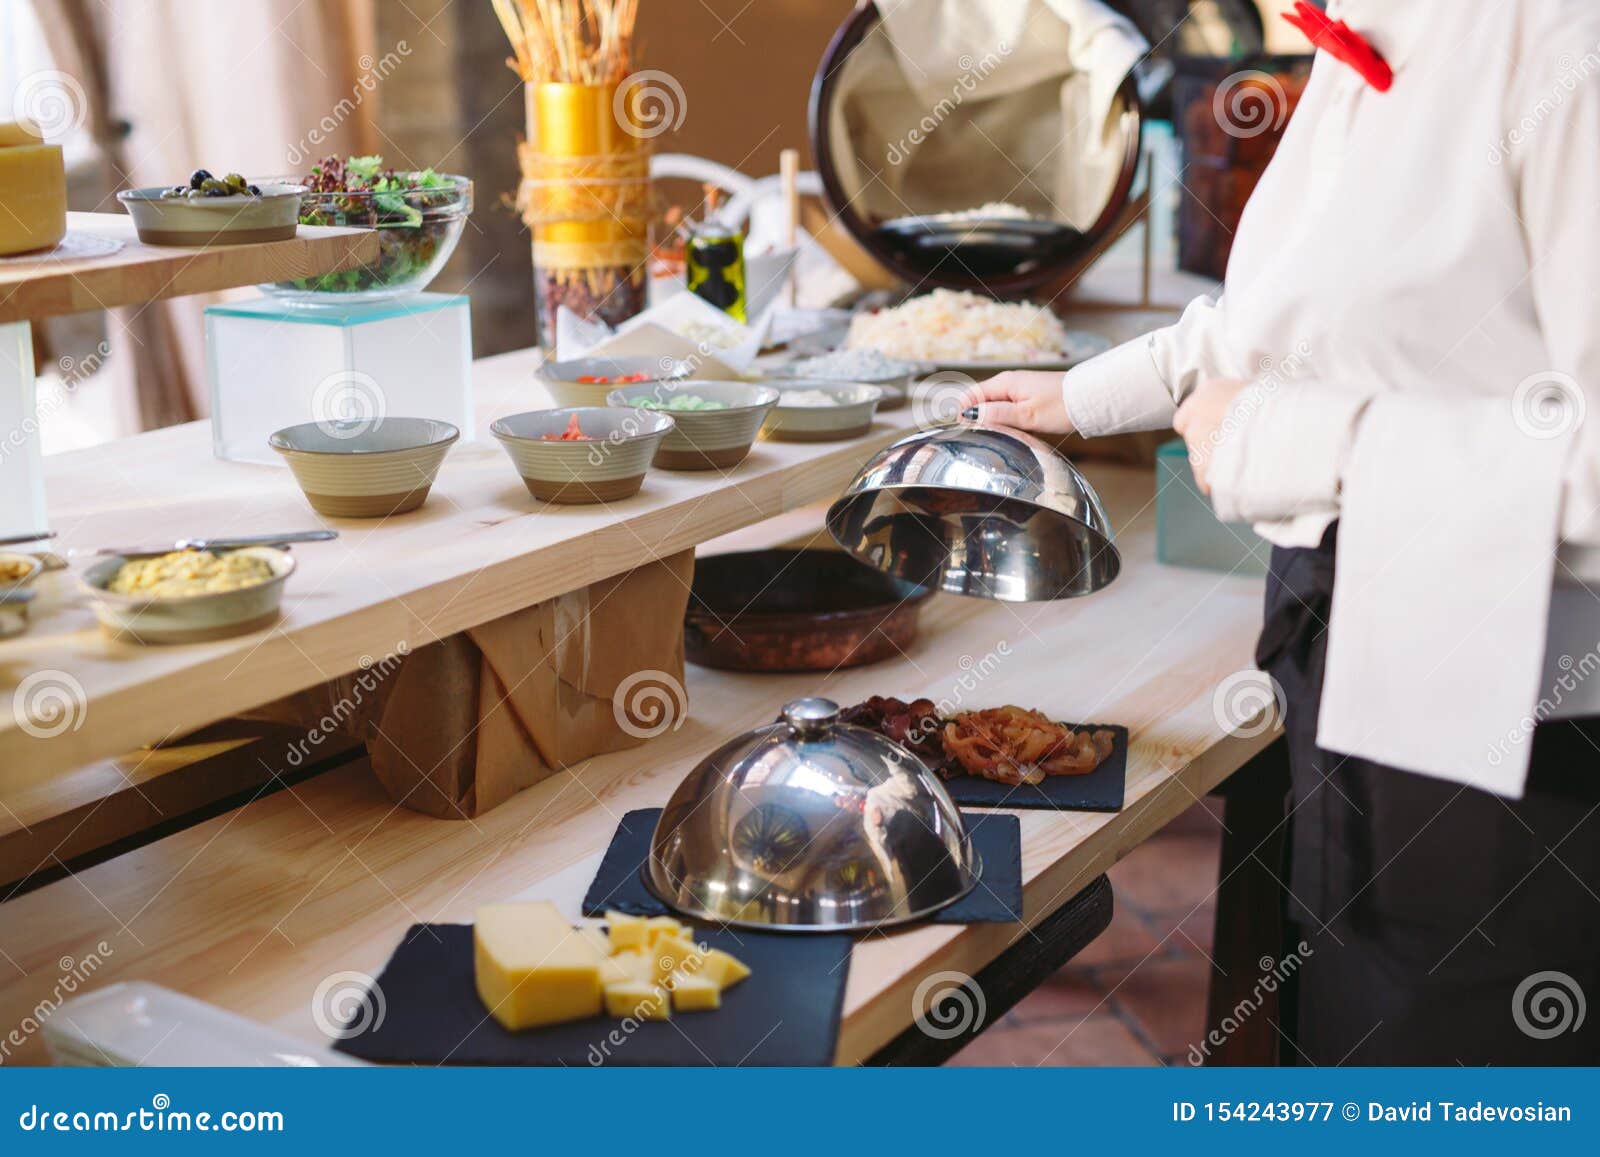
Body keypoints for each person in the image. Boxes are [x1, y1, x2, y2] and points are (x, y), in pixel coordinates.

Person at [965, 0, 1600, 1064]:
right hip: (1361, 648)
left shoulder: (1560, 42)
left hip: (1517, 726)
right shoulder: (1369, 29)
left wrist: (1291, 439)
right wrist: (1076, 396)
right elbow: (1287, 317)